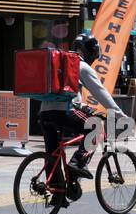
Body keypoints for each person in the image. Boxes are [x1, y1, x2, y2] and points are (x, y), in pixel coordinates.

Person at [38, 34, 125, 188]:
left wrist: (86, 107)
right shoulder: (81, 65)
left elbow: (71, 96)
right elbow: (100, 93)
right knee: (97, 127)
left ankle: (56, 192)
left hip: (44, 113)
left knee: (53, 153)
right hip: (63, 112)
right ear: (90, 52)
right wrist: (119, 114)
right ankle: (78, 162)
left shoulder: (60, 65)